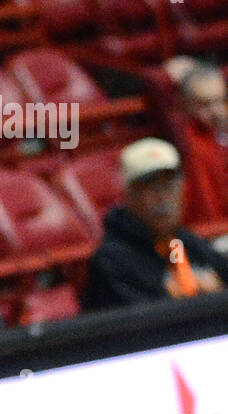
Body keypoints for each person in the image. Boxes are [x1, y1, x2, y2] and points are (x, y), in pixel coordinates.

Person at [81, 137, 228, 310]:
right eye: (151, 187)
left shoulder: (184, 241)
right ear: (129, 196)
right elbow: (144, 325)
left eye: (169, 185)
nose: (162, 198)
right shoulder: (111, 260)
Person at [169, 62, 228, 225]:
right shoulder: (189, 143)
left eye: (220, 101)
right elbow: (206, 211)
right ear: (185, 105)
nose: (216, 111)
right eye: (205, 104)